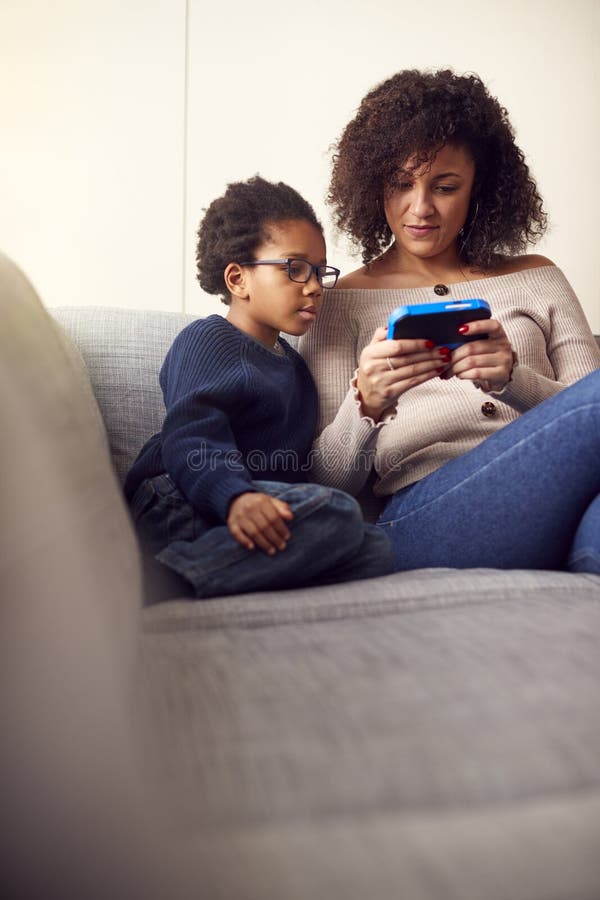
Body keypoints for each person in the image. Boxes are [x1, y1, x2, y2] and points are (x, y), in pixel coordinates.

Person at [299, 69, 600, 573]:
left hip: (553, 507)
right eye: (400, 184)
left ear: (478, 188)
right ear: (373, 185)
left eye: (445, 186)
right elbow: (322, 486)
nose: (421, 209)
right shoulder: (337, 304)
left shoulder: (539, 278)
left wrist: (513, 381)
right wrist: (366, 403)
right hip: (424, 516)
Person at [124, 176, 392, 598]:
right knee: (337, 512)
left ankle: (216, 572)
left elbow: (293, 470)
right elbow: (190, 437)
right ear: (237, 280)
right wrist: (235, 497)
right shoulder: (208, 339)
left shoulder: (298, 372)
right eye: (295, 268)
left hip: (250, 506)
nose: (314, 286)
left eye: (321, 273)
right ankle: (154, 580)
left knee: (375, 547)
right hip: (182, 497)